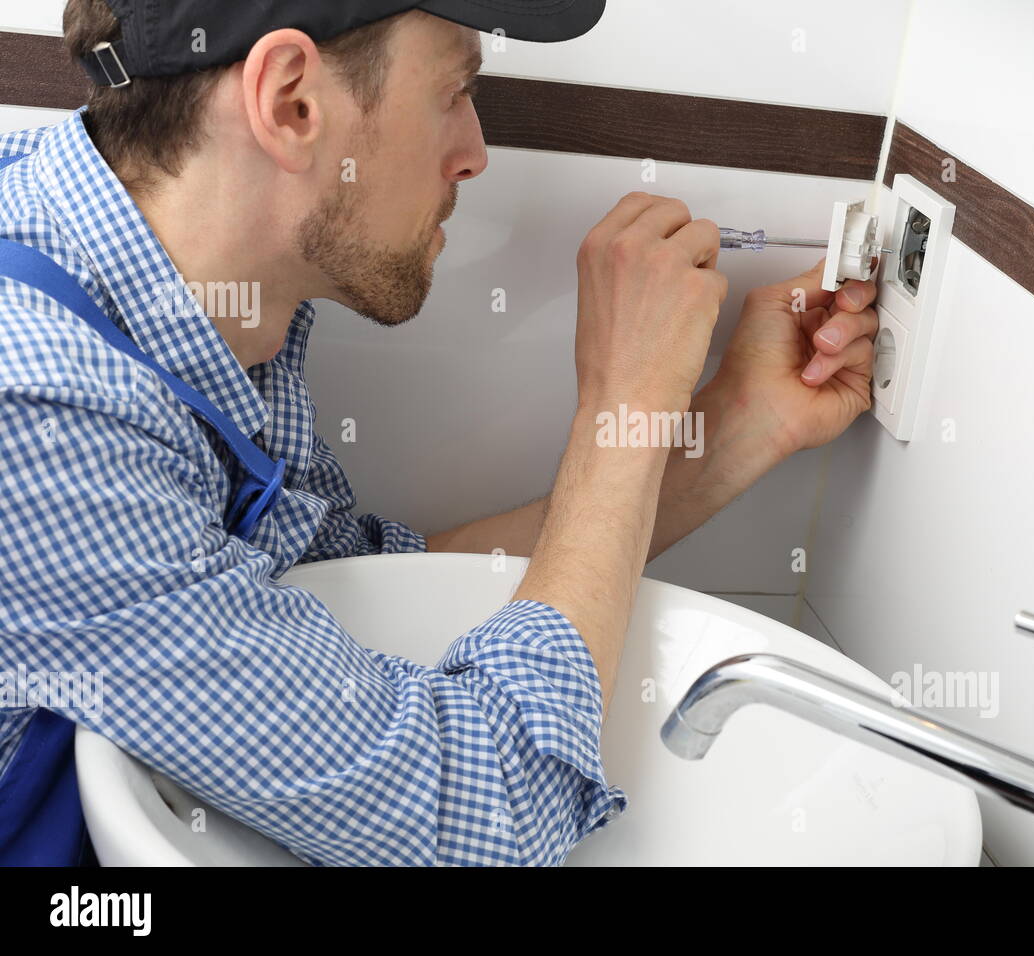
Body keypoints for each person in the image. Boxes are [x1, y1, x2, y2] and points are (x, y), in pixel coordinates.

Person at [0, 0, 879, 866]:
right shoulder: (39, 419)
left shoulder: (174, 284)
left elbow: (360, 584)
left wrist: (734, 427)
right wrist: (622, 405)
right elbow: (489, 813)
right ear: (290, 102)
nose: (475, 154)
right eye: (455, 91)